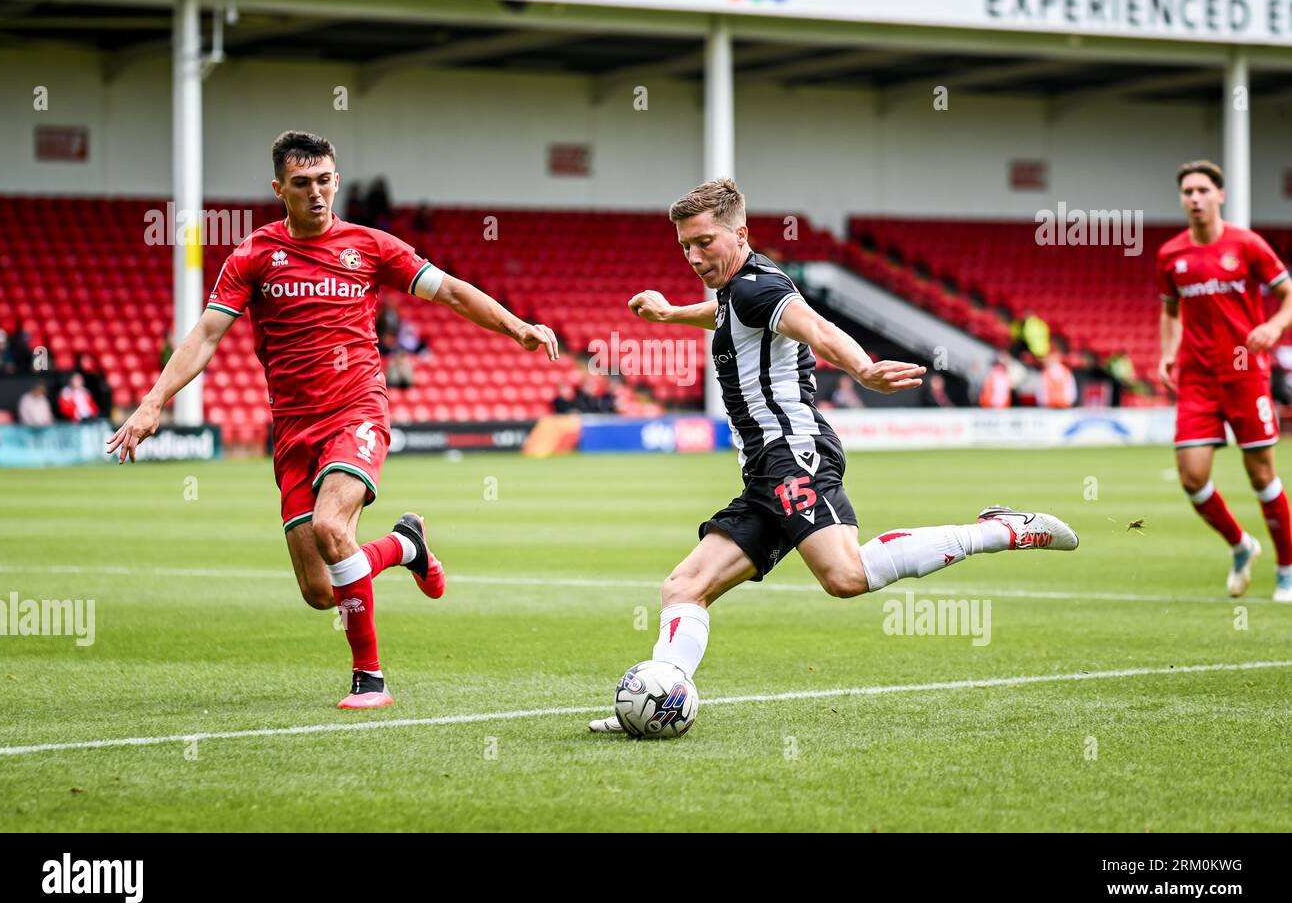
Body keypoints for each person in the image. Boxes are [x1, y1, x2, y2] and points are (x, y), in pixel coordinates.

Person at [589, 178, 1078, 733]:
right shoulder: (737, 287)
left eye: (704, 243)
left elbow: (816, 329)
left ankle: (1004, 530)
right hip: (764, 470)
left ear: (740, 234)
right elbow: (729, 316)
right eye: (684, 247)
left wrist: (863, 368)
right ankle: (659, 702)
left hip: (794, 455)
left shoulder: (759, 288)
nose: (694, 257)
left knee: (845, 575)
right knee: (684, 588)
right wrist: (673, 314)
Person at [107, 130, 561, 707]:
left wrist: (515, 324)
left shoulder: (371, 246)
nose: (317, 193)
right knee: (321, 590)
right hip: (292, 428)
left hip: (356, 409)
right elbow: (205, 335)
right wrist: (153, 402)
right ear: (280, 189)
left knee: (331, 529)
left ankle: (369, 678)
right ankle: (404, 546)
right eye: (302, 184)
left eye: (324, 181)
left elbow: (449, 292)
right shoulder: (253, 256)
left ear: (337, 180)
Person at [1158, 159, 1292, 603]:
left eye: (1202, 190)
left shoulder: (1247, 244)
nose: (1194, 198)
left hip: (1245, 373)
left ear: (1220, 195)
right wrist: (1167, 352)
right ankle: (1241, 545)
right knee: (1192, 477)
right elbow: (1170, 310)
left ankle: (1287, 570)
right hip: (1197, 378)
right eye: (1187, 192)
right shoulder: (1170, 255)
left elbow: (1287, 293)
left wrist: (1274, 327)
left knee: (1261, 475)